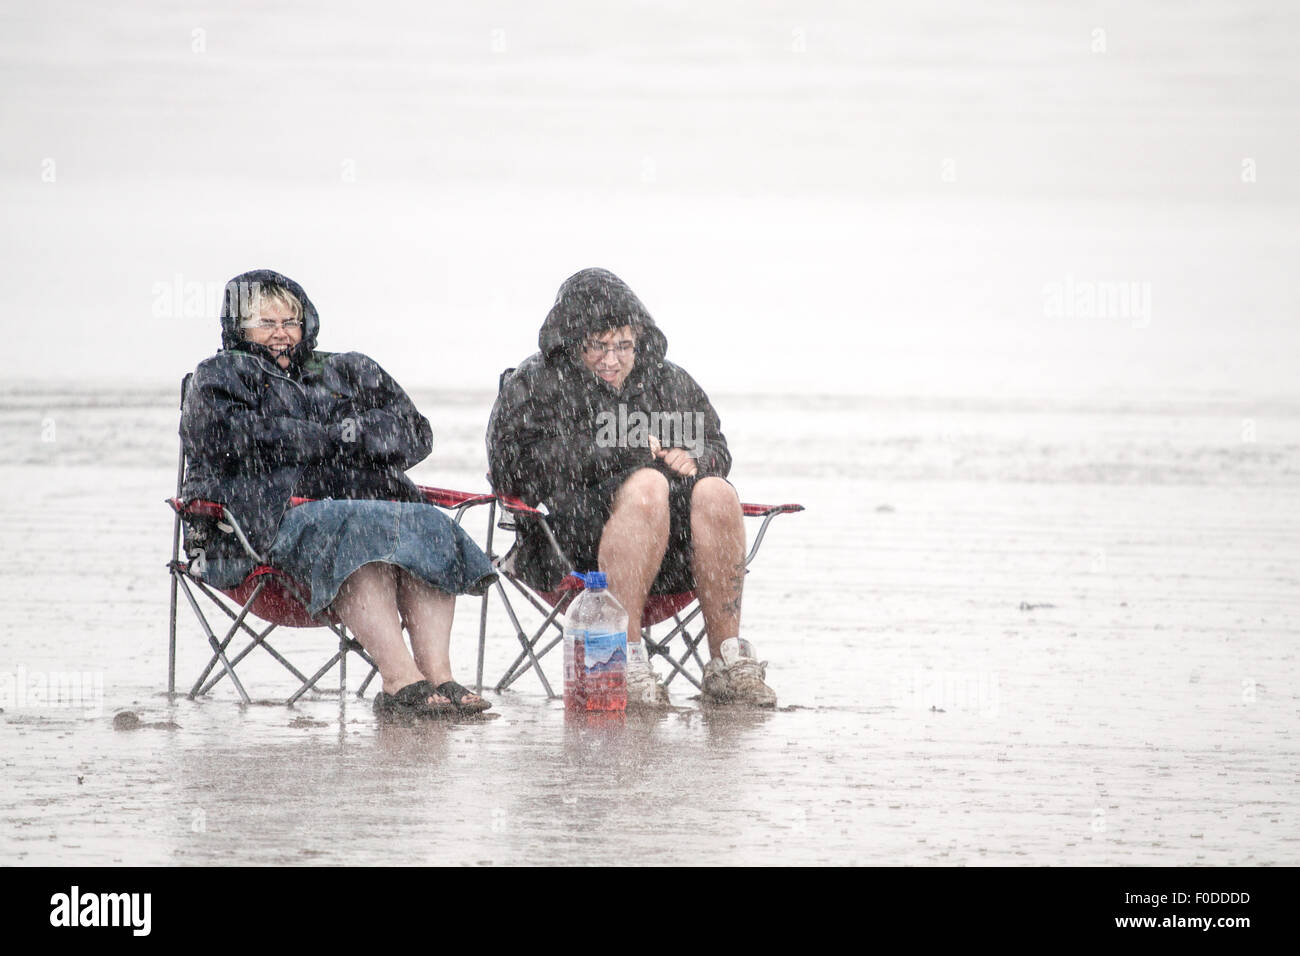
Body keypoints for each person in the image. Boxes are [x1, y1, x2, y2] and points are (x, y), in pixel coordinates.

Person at [180, 268, 495, 721]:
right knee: (357, 531)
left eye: (291, 321)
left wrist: (339, 438)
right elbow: (223, 439)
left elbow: (414, 433)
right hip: (264, 530)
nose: (281, 334)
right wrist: (327, 438)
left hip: (365, 511)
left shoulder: (348, 369)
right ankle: (399, 680)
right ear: (238, 327)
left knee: (428, 524)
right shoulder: (221, 375)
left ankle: (439, 676)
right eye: (266, 324)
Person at [487, 267, 776, 708]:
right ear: (573, 342)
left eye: (623, 345)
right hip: (573, 546)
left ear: (638, 340)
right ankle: (626, 660)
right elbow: (511, 471)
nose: (612, 359)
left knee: (717, 491)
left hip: (674, 557)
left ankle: (727, 662)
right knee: (646, 486)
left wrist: (696, 461)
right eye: (597, 347)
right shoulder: (537, 382)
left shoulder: (668, 383)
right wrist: (620, 454)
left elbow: (716, 445)